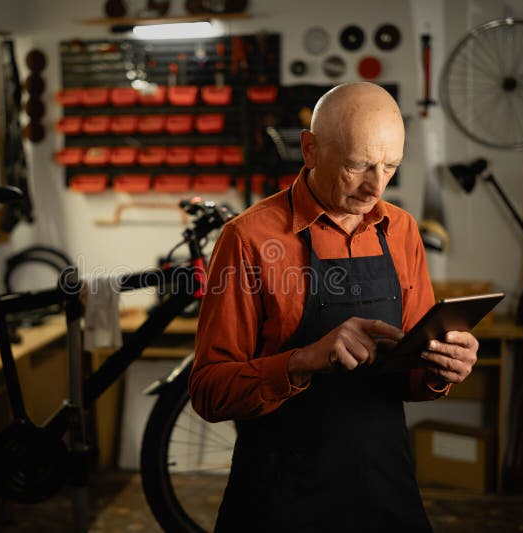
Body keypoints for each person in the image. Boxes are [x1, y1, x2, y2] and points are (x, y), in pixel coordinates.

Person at [190, 82, 479, 532]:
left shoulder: (401, 230)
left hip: (385, 490)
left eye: (390, 166)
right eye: (358, 165)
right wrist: (304, 359)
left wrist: (441, 370)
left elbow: (411, 375)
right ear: (309, 150)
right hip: (279, 499)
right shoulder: (248, 239)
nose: (375, 187)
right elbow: (209, 391)